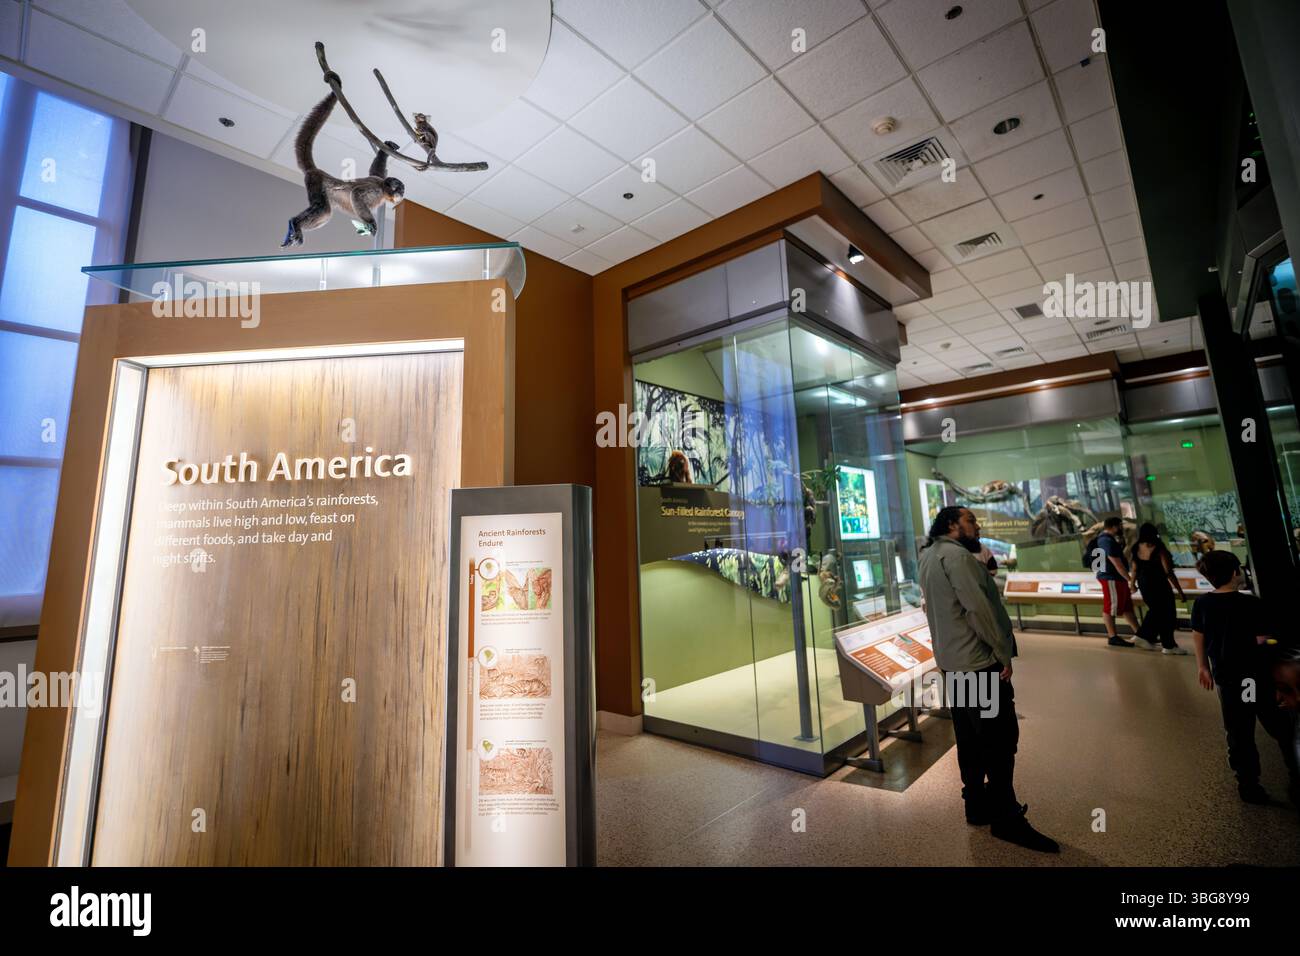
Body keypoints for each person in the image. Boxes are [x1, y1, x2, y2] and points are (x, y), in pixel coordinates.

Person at [917, 505, 1058, 852]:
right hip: (978, 665)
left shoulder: (928, 556)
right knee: (998, 740)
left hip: (953, 665)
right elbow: (977, 610)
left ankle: (976, 805)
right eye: (970, 521)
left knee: (970, 739)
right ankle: (1007, 819)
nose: (977, 526)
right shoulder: (960, 559)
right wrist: (1001, 652)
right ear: (952, 525)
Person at [1191, 550, 1299, 805]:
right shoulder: (1252, 604)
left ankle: (1249, 786)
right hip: (1258, 678)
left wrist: (1202, 667)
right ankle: (1295, 778)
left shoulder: (1202, 604)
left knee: (1239, 733)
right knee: (1282, 729)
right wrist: (1280, 682)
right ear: (1234, 573)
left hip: (1228, 680)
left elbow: (1199, 635)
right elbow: (1267, 642)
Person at [1128, 522, 1188, 655]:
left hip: (1144, 584)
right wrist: (1180, 591)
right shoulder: (1159, 547)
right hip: (1158, 583)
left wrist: (1132, 585)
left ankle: (1156, 640)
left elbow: (1135, 569)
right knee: (1168, 614)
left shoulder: (1136, 548)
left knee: (1156, 612)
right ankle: (1164, 643)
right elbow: (1168, 571)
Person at [1092, 516, 1139, 647]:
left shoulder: (1106, 539)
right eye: (1119, 526)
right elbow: (1116, 562)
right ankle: (1112, 636)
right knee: (1111, 606)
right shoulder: (1106, 540)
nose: (1121, 528)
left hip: (1114, 577)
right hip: (1111, 577)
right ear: (1113, 526)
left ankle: (1140, 633)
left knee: (1125, 606)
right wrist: (1130, 580)